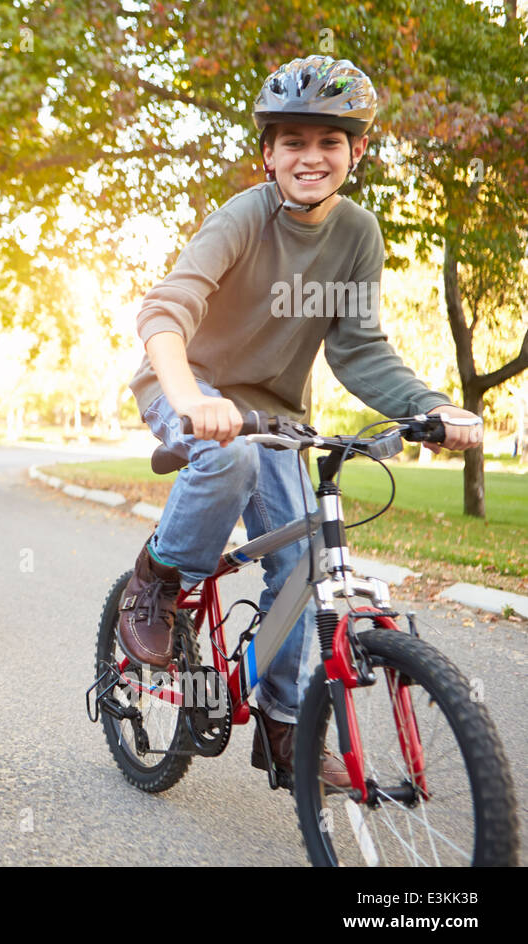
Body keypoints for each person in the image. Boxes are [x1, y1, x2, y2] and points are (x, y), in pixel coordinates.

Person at [116, 55, 481, 786]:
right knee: (230, 458)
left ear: (356, 152)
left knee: (299, 565)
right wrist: (191, 399)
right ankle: (154, 581)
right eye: (293, 142)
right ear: (268, 153)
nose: (310, 158)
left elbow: (359, 347)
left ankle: (285, 731)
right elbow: (166, 310)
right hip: (189, 385)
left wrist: (431, 407)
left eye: (329, 143)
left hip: (276, 413)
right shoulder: (244, 217)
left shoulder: (359, 234)